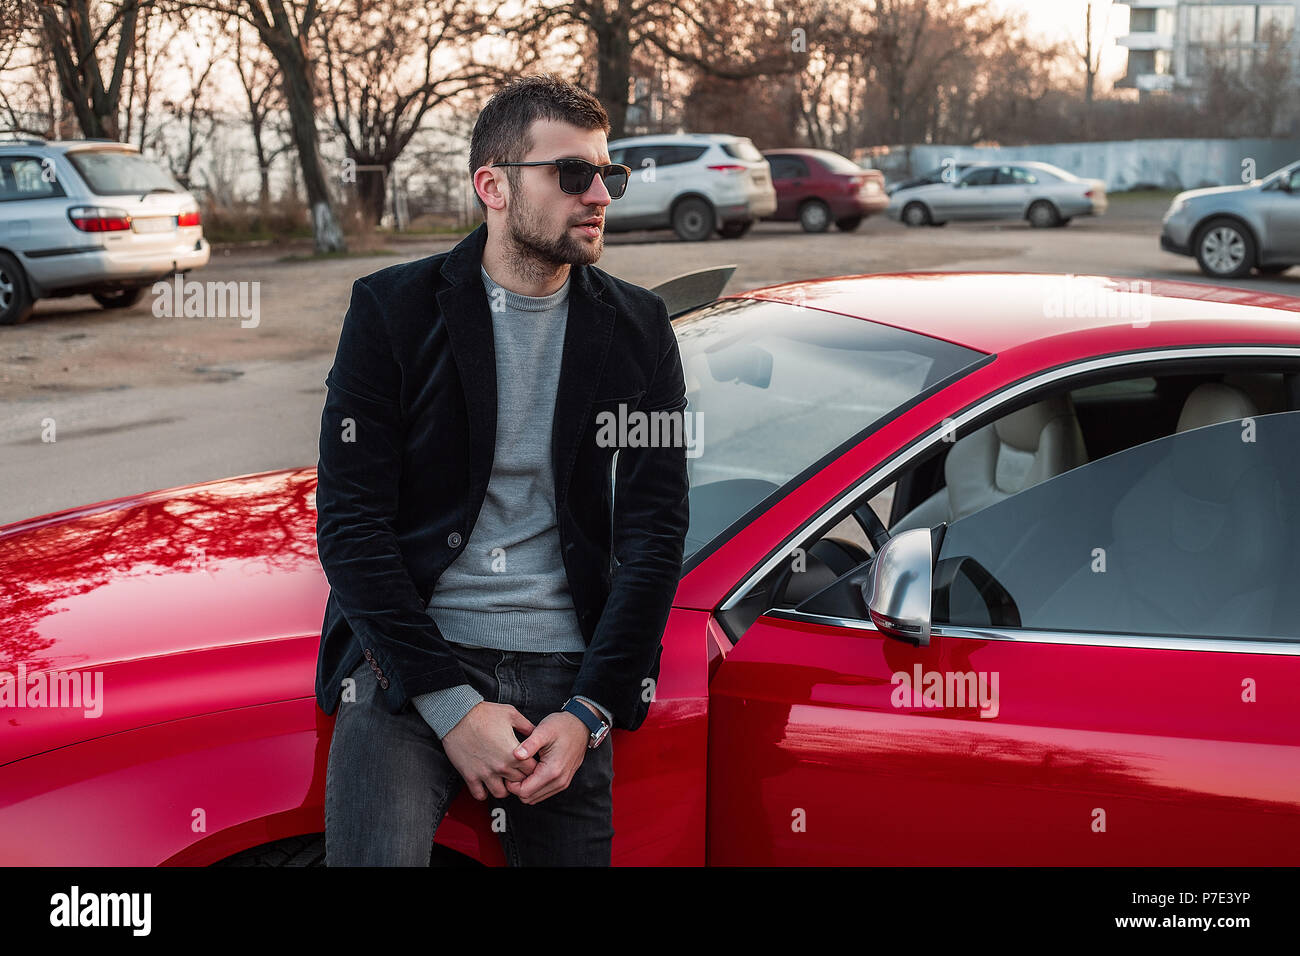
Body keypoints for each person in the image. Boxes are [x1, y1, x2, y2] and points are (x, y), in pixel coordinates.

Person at [315, 73, 690, 866]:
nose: (599, 196)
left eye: (608, 175)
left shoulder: (640, 327)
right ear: (492, 185)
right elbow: (350, 526)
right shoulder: (391, 312)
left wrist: (591, 709)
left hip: (568, 676)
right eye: (571, 174)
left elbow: (658, 534)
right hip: (414, 666)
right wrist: (452, 707)